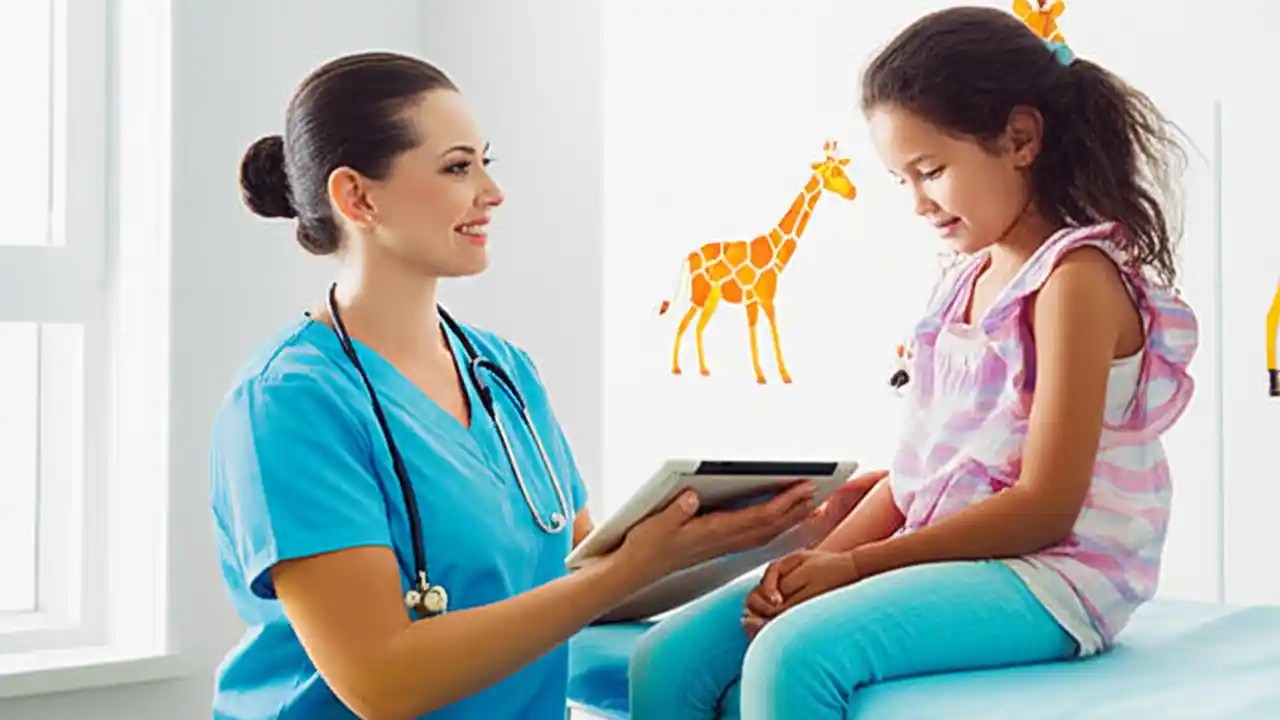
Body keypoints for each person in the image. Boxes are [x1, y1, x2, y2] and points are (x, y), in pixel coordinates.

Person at [207, 51, 879, 720]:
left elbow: (585, 584)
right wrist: (624, 569)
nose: (491, 193)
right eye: (456, 167)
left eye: (485, 164)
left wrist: (776, 530)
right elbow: (383, 682)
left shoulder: (503, 372)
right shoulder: (290, 404)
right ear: (358, 196)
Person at [627, 6, 1200, 718]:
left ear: (1021, 139)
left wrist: (855, 567)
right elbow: (916, 472)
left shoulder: (1074, 282)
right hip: (960, 553)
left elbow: (1044, 508)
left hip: (1054, 575)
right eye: (902, 179)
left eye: (930, 171)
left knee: (790, 654)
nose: (917, 202)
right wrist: (812, 565)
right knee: (666, 660)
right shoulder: (963, 281)